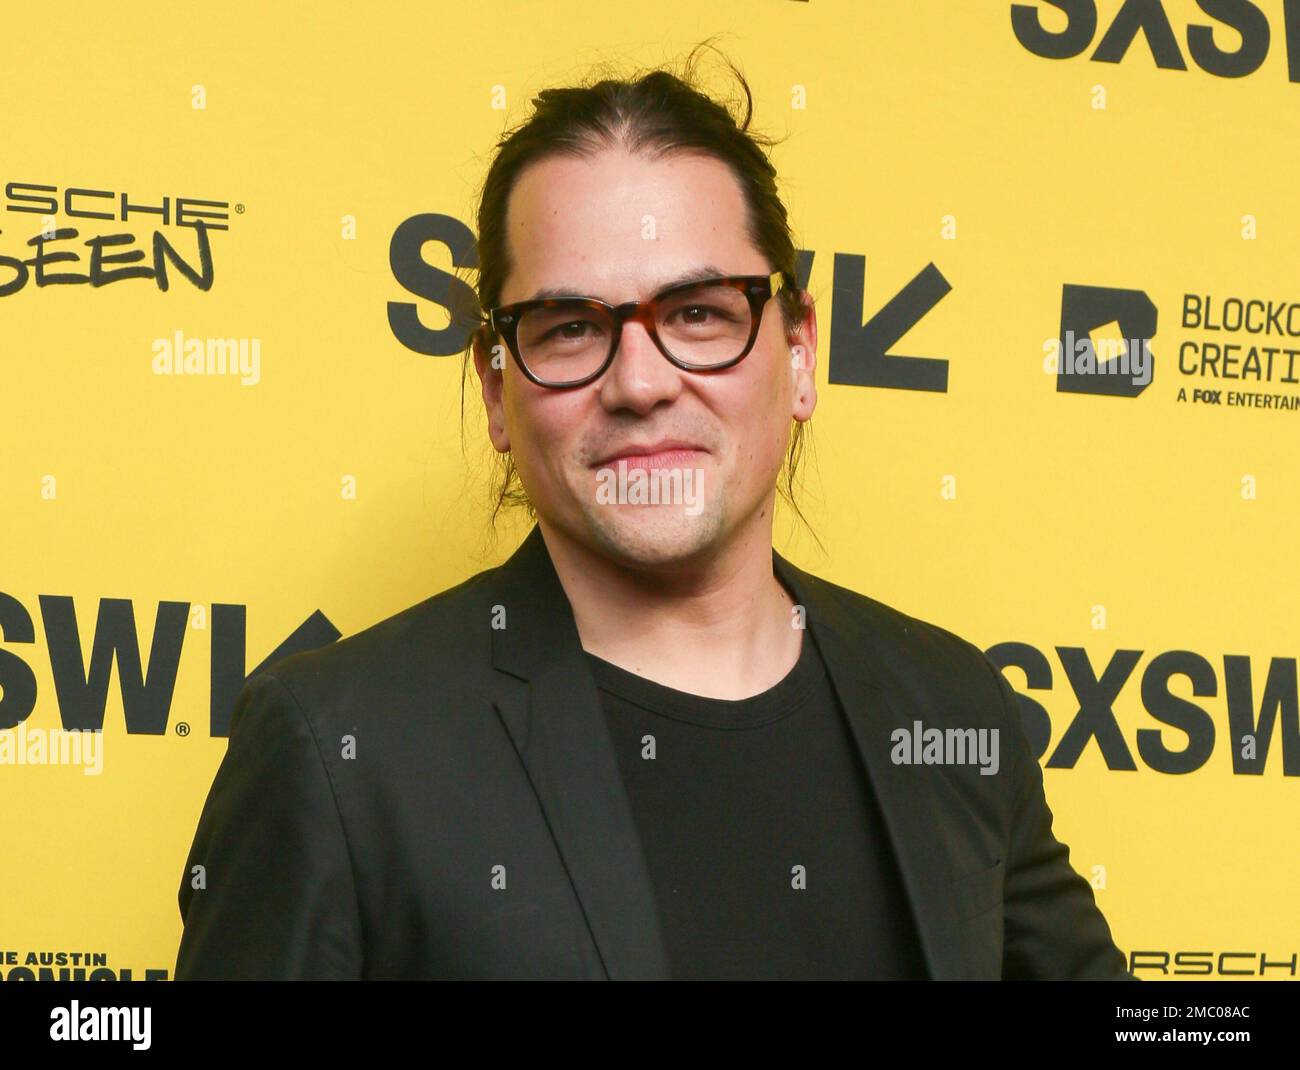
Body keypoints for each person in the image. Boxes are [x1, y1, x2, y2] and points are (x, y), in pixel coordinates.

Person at [174, 45, 1134, 981]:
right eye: (570, 328)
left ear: (801, 353)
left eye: (699, 313)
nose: (639, 382)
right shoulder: (336, 749)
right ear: (496, 389)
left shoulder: (952, 705)